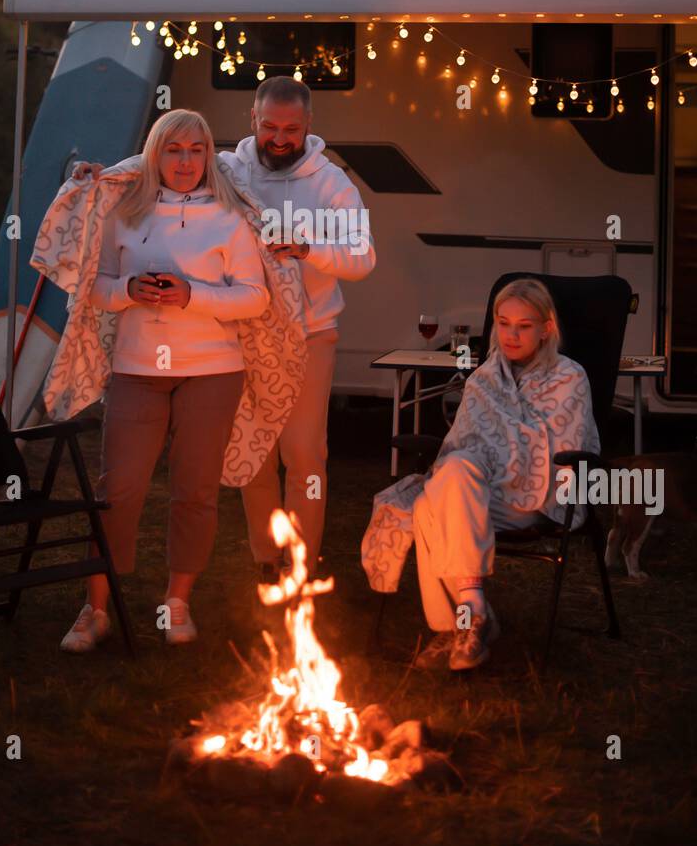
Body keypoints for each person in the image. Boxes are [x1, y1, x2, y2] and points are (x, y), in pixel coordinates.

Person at [59, 109, 269, 654]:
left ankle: (177, 602)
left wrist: (190, 294)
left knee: (194, 490)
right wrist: (131, 288)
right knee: (119, 489)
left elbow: (255, 295)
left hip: (212, 370)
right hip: (136, 368)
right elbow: (96, 288)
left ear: (208, 156)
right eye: (173, 151)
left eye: (195, 151)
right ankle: (96, 607)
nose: (184, 162)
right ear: (155, 155)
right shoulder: (125, 211)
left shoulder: (229, 217)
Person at [217, 75, 376, 582]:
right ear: (253, 120)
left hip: (310, 333)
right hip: (243, 332)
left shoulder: (331, 183)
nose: (280, 138)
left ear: (309, 125)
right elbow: (161, 174)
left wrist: (308, 248)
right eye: (270, 127)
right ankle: (267, 558)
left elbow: (362, 258)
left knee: (303, 450)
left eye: (291, 128)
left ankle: (303, 564)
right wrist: (101, 173)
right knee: (252, 447)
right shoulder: (226, 168)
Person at [411, 278, 600, 672]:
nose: (511, 334)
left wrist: (502, 448)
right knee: (451, 477)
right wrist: (475, 464)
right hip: (481, 493)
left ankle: (459, 628)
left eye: (524, 325)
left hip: (538, 495)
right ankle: (473, 610)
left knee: (435, 503)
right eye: (503, 322)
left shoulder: (569, 377)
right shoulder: (484, 378)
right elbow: (460, 444)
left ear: (546, 328)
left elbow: (559, 452)